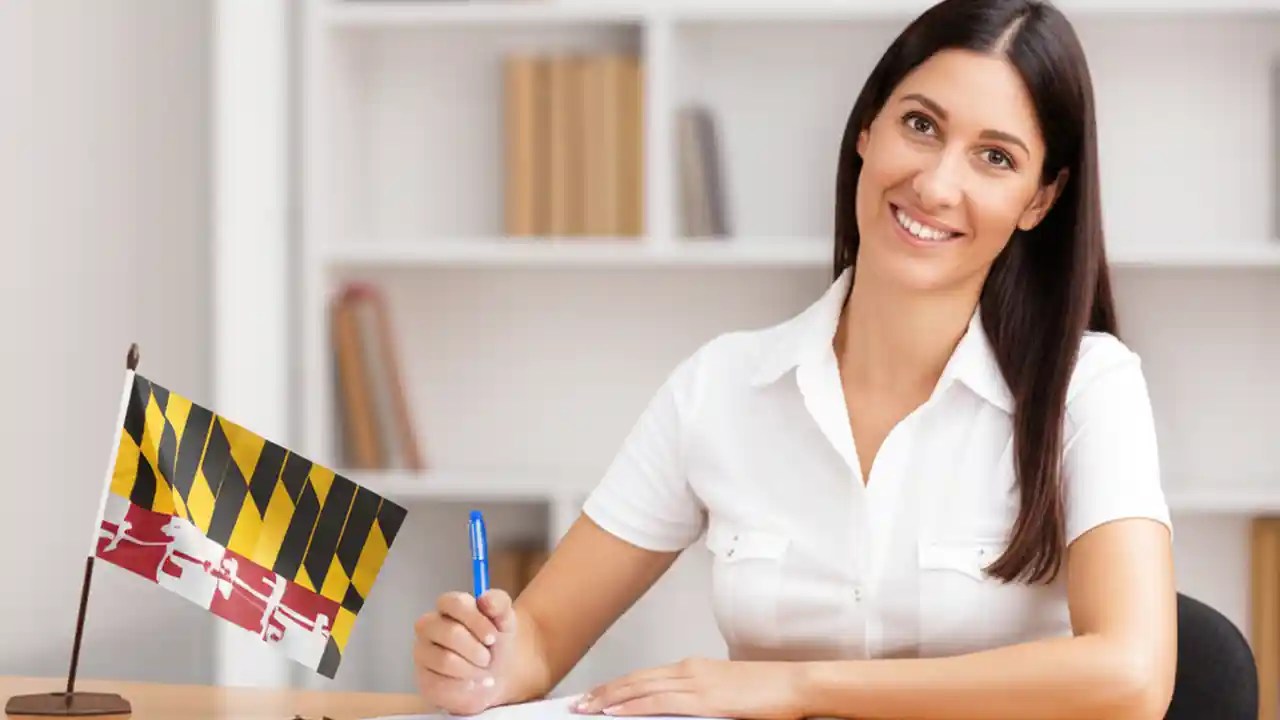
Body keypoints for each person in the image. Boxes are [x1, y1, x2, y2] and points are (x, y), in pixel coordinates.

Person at [412, 0, 1177, 717]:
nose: (938, 184)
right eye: (920, 125)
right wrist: (481, 661)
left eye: (995, 158)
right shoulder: (721, 387)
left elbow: (1133, 677)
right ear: (867, 128)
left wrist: (795, 683)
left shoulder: (1088, 388)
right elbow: (541, 638)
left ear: (1040, 200)